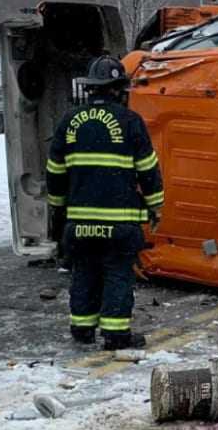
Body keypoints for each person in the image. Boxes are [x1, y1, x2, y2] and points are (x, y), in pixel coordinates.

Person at [46, 55, 163, 351]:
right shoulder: (130, 121)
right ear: (117, 89)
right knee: (117, 273)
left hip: (79, 222)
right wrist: (155, 205)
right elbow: (148, 169)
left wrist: (58, 207)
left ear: (90, 88)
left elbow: (55, 171)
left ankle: (82, 328)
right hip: (119, 222)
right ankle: (115, 334)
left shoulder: (69, 121)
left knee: (84, 272)